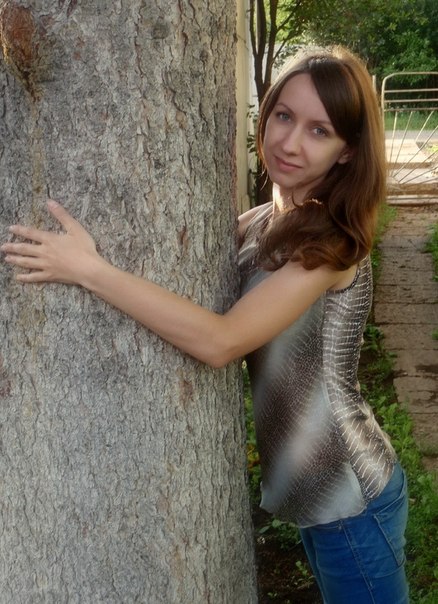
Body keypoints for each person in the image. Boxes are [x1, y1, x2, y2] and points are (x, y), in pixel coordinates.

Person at [1, 45, 409, 603]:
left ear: (347, 152)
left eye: (320, 131)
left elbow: (221, 341)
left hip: (351, 490)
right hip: (316, 494)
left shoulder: (329, 248)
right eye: (284, 116)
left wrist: (88, 270)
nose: (290, 142)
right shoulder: (267, 220)